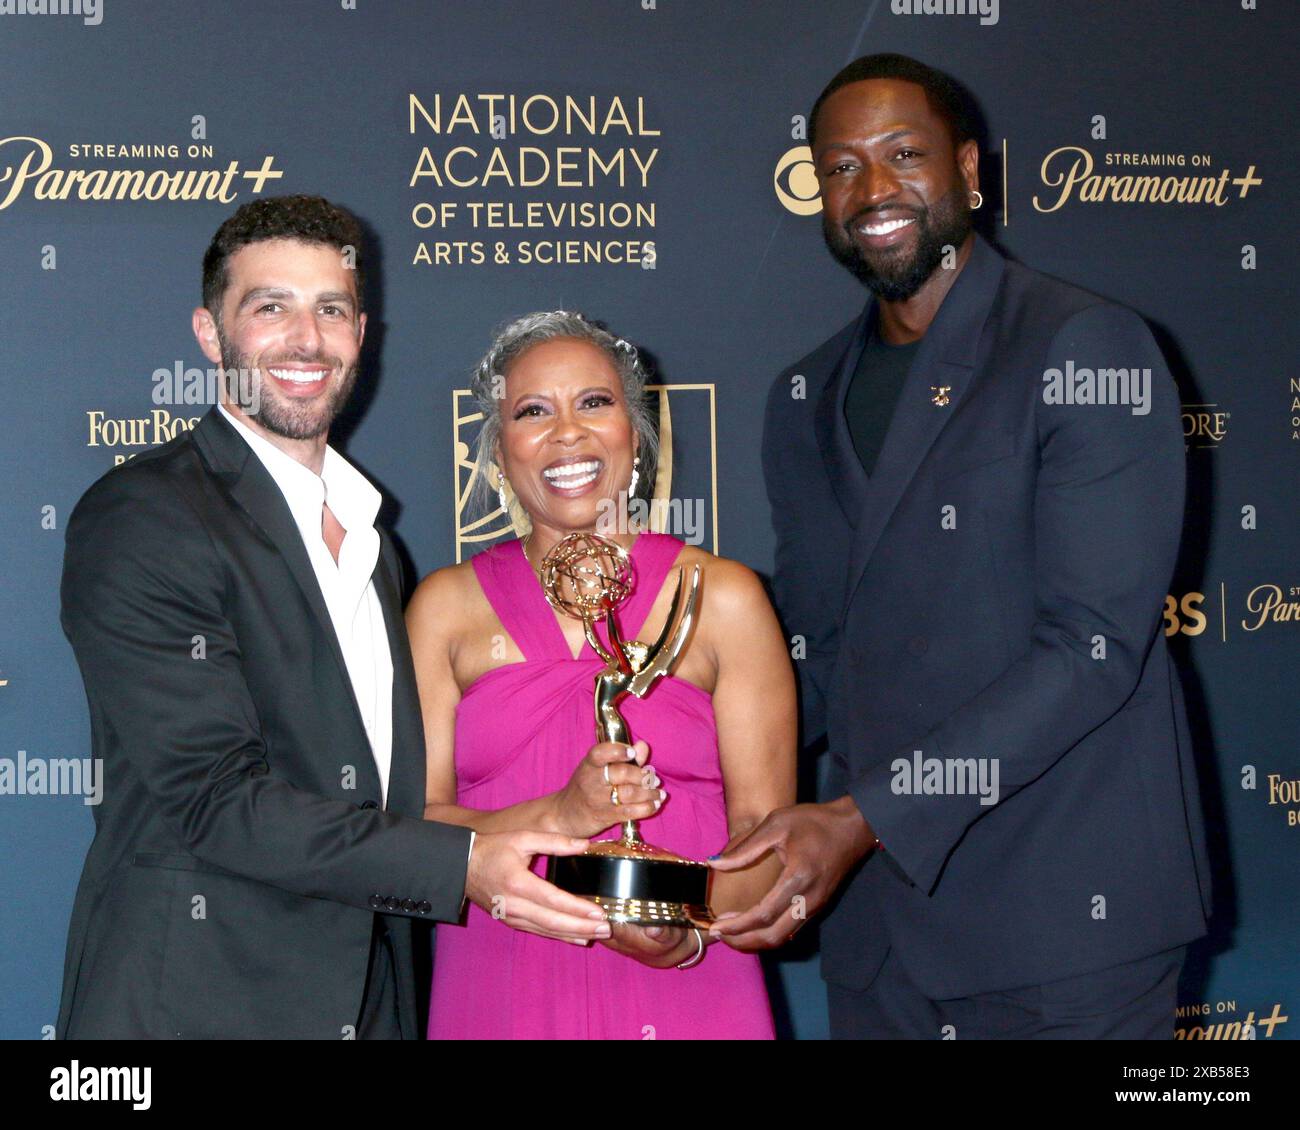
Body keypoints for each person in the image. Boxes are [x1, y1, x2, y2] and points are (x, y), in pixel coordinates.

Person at [709, 55, 1211, 1039]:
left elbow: (1090, 650)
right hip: (880, 948)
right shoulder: (800, 396)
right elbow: (816, 651)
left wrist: (858, 820)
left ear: (971, 171)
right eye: (842, 166)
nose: (874, 190)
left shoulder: (1084, 347)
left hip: (1067, 929)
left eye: (905, 155)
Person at [56, 196, 611, 1040]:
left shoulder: (374, 545)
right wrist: (465, 864)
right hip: (197, 1005)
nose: (306, 340)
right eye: (269, 307)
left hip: (367, 996)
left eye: (331, 309)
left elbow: (378, 792)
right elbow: (215, 801)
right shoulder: (145, 514)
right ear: (211, 334)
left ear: (361, 332)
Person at [407, 311, 795, 1039]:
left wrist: (689, 932)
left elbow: (766, 838)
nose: (567, 433)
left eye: (594, 402)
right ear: (498, 450)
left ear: (636, 433)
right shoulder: (443, 610)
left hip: (691, 994)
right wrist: (556, 815)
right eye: (532, 412)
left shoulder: (724, 598)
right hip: (500, 980)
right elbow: (413, 828)